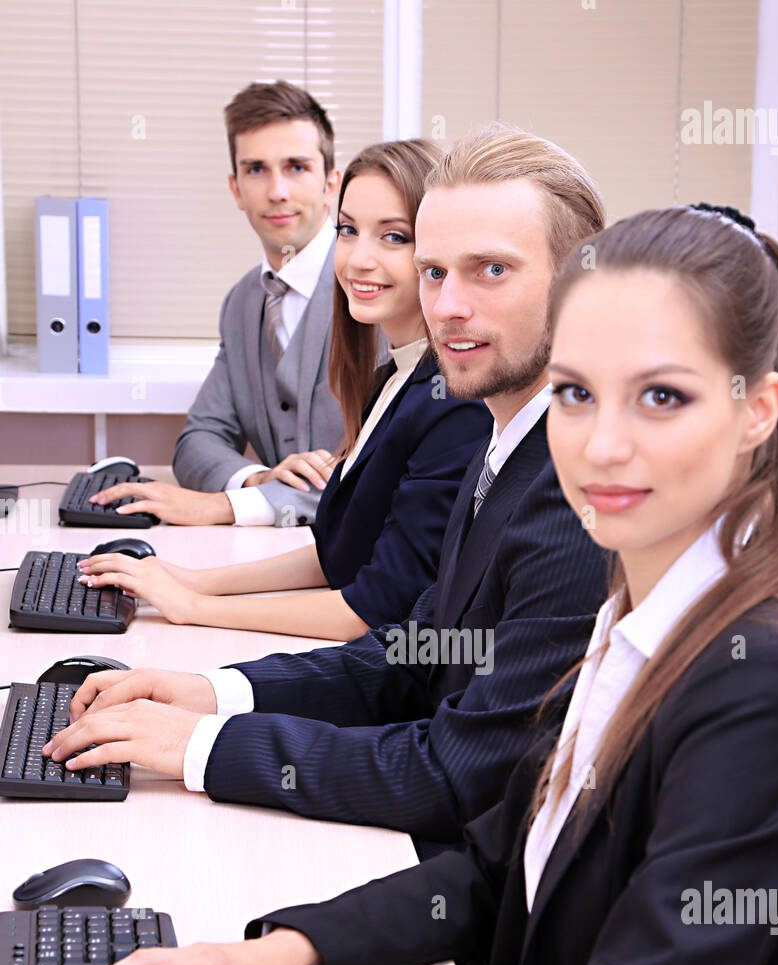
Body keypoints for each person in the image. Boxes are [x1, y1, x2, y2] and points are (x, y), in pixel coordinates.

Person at [78, 204, 778, 965]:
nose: (600, 445)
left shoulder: (762, 691)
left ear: (756, 409)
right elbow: (498, 864)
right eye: (574, 393)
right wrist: (292, 950)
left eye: (661, 396)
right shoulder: (635, 607)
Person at [45, 125, 609, 851]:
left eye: (491, 271)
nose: (448, 307)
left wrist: (201, 747)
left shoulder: (577, 501)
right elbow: (415, 653)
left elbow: (451, 775)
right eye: (435, 272)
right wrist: (216, 694)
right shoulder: (505, 443)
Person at [76, 140, 491, 640]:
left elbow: (376, 609)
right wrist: (194, 582)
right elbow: (339, 550)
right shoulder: (394, 377)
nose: (359, 259)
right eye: (348, 230)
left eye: (393, 237)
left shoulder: (456, 400)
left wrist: (193, 607)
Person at [90, 80, 347, 528]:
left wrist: (222, 507)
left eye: (296, 167)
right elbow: (198, 441)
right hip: (272, 551)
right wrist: (257, 480)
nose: (277, 191)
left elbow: (397, 474)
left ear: (330, 183)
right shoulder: (243, 303)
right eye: (256, 170)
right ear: (235, 189)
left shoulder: (374, 287)